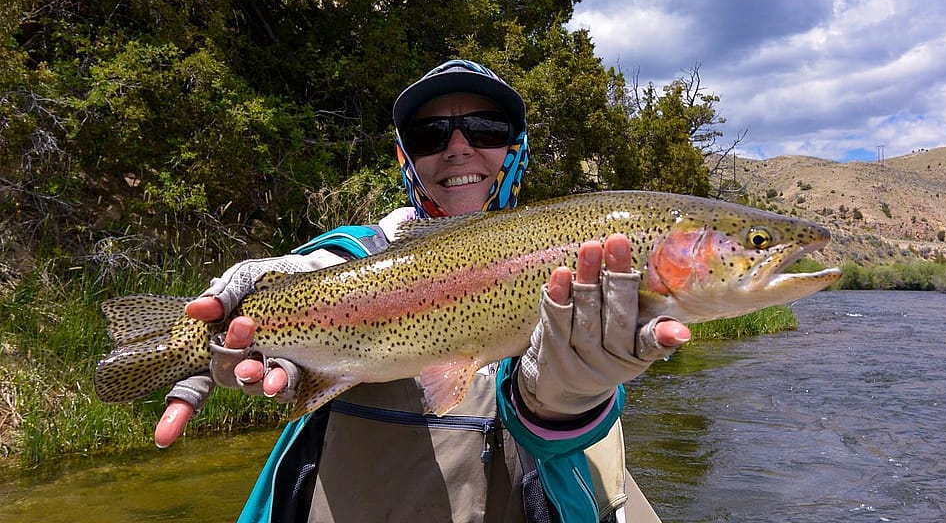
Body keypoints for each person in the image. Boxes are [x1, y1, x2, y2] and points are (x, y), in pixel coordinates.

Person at [155, 60, 692, 523]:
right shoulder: (351, 258)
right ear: (404, 157)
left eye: (484, 128)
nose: (458, 149)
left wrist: (570, 398)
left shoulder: (575, 259)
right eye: (430, 135)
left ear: (516, 147)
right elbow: (320, 270)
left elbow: (569, 428)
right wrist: (206, 341)